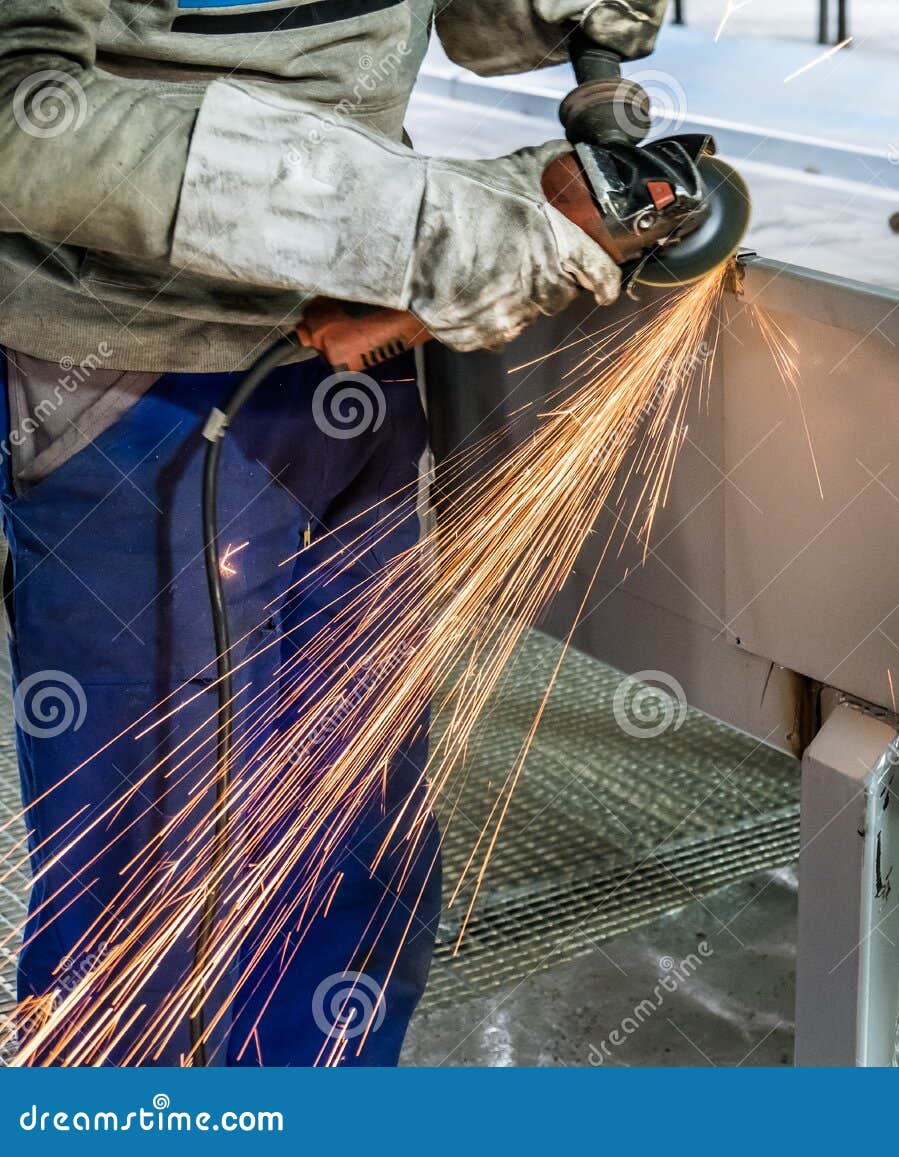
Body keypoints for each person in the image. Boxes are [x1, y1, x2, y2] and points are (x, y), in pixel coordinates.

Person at [0, 0, 667, 1066]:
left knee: (353, 838)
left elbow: (460, 23)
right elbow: (21, 118)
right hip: (141, 383)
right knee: (154, 897)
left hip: (358, 352)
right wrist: (422, 226)